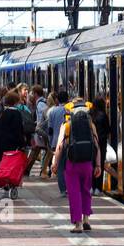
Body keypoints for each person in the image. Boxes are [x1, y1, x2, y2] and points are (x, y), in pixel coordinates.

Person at [52, 96, 99, 233]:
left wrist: (55, 163)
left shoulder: (66, 125)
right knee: (86, 191)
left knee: (74, 193)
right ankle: (86, 220)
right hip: (87, 164)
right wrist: (98, 165)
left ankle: (78, 224)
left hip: (72, 164)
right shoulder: (91, 125)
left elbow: (60, 146)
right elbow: (96, 145)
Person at [0, 91, 28, 175]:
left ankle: (2, 177)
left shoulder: (3, 112)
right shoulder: (16, 113)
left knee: (4, 161)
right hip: (12, 142)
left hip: (2, 141)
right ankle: (9, 180)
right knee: (11, 162)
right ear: (15, 101)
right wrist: (22, 143)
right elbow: (18, 129)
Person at [45, 89, 70, 192]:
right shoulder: (69, 110)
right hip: (69, 141)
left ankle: (63, 189)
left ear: (57, 100)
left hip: (56, 142)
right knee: (69, 164)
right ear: (68, 99)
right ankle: (69, 186)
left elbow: (50, 129)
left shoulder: (52, 111)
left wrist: (50, 143)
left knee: (60, 166)